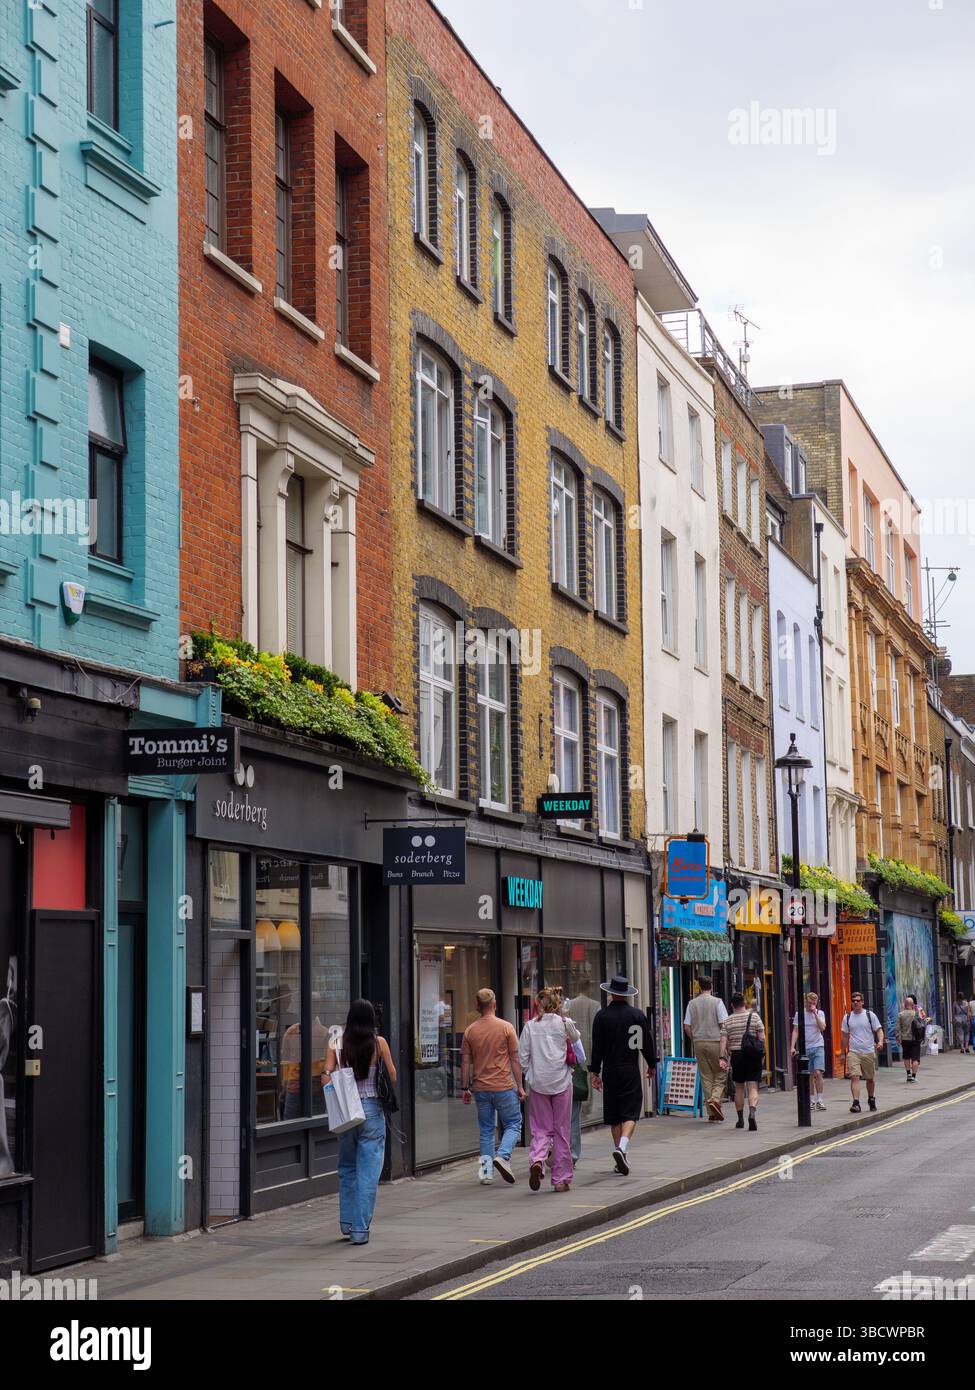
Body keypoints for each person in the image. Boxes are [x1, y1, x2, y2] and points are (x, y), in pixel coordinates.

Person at [325, 999, 395, 1246]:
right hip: (372, 1110)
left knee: (347, 1168)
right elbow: (393, 1075)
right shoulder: (379, 1043)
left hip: (346, 1111)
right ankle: (360, 1230)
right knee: (368, 1173)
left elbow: (326, 1073)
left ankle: (347, 1223)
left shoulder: (337, 1042)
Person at [589, 974, 657, 1175]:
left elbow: (597, 1047)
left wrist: (595, 1071)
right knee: (631, 1111)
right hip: (630, 1069)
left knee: (615, 1115)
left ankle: (621, 1155)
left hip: (610, 1070)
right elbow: (646, 1042)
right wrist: (651, 1064)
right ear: (626, 994)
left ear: (611, 994)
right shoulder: (636, 1015)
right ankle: (622, 1148)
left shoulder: (602, 1016)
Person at [460, 988, 524, 1185]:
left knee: (486, 1130)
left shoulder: (470, 1030)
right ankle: (503, 1156)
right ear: (494, 1004)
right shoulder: (506, 1028)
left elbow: (465, 1062)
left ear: (477, 1006)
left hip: (480, 1088)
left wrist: (465, 1088)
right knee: (514, 1123)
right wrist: (520, 1086)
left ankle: (487, 1173)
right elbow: (515, 1060)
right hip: (503, 1086)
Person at [518, 987, 580, 1193]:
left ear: (538, 1004)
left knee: (540, 1129)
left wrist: (531, 1075)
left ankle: (537, 1160)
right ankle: (561, 1180)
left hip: (539, 1084)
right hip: (561, 1081)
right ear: (557, 1004)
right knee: (562, 1131)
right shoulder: (565, 1024)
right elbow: (578, 1046)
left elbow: (522, 1058)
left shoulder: (529, 1026)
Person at [683, 976, 729, 1122]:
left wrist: (695, 1038)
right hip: (715, 1041)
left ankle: (712, 1113)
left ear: (699, 987)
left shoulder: (692, 1003)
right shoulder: (717, 1002)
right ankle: (715, 1099)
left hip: (699, 1043)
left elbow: (686, 1026)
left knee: (706, 1077)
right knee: (721, 1073)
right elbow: (724, 1025)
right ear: (712, 986)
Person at [718, 991, 766, 1130]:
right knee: (752, 1086)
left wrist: (723, 1056)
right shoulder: (755, 1017)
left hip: (737, 1056)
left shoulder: (728, 1021)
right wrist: (762, 1056)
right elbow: (762, 1038)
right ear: (744, 1003)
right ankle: (752, 1113)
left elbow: (723, 1041)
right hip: (753, 1055)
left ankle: (740, 1120)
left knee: (739, 1088)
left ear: (732, 1005)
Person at [566, 979, 599, 1162]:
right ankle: (587, 1107)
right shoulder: (594, 1005)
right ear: (589, 988)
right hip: (585, 1046)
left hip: (570, 1049)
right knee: (584, 1081)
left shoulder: (569, 1004)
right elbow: (595, 1029)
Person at [840, 991, 884, 1114]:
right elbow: (844, 1036)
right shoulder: (847, 1017)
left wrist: (880, 1042)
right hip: (854, 1052)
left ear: (862, 1002)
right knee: (855, 1077)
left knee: (870, 1078)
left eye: (858, 1000)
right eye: (853, 1000)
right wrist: (843, 1053)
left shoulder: (870, 1015)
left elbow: (879, 1030)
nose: (855, 1002)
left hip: (868, 1051)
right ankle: (856, 1103)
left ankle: (871, 1098)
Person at [790, 991, 828, 1112]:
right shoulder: (799, 1014)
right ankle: (811, 1100)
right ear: (806, 1001)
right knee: (810, 1075)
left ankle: (820, 1100)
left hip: (818, 1046)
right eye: (810, 1002)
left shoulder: (820, 1013)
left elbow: (823, 1028)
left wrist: (815, 1013)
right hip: (805, 1048)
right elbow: (795, 1030)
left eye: (814, 1003)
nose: (811, 1005)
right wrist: (792, 1046)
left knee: (818, 1073)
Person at [893, 994, 924, 1082]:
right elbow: (921, 1025)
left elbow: (897, 1028)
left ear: (905, 1004)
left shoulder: (901, 1014)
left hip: (905, 1039)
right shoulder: (916, 1014)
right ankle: (914, 1077)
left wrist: (898, 1038)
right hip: (915, 1039)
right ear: (913, 1004)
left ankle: (908, 1074)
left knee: (906, 1057)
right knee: (915, 1058)